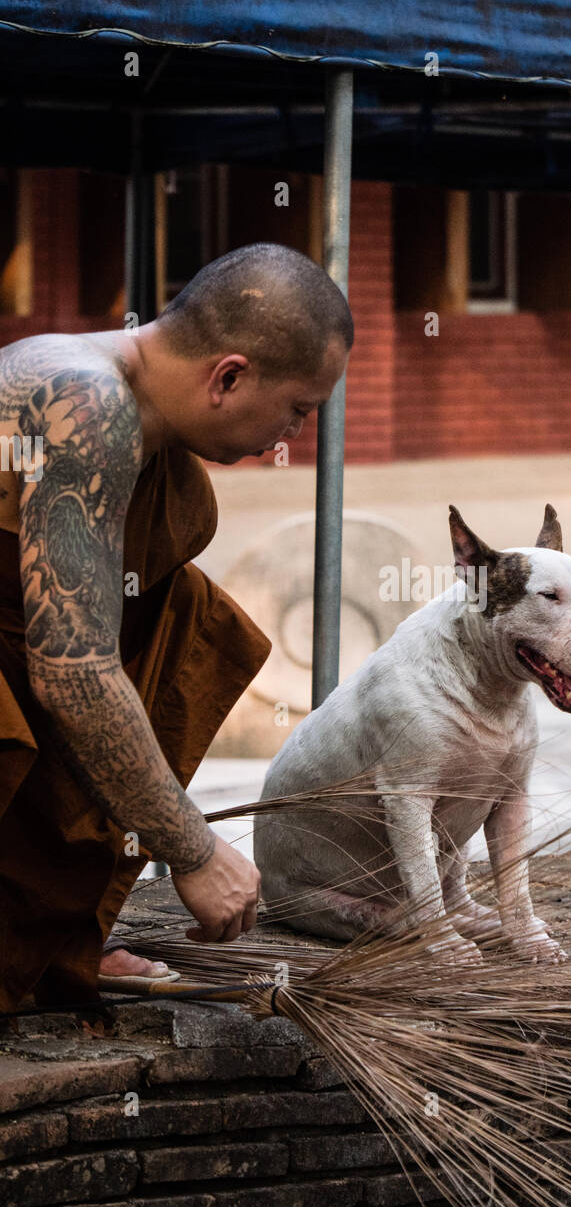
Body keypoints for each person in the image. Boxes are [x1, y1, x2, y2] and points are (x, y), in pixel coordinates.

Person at [0, 242, 352, 1011]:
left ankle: (50, 930)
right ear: (228, 376)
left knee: (185, 612)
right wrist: (193, 850)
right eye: (298, 408)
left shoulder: (144, 424)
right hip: (48, 665)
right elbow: (72, 669)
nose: (290, 435)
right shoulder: (87, 402)